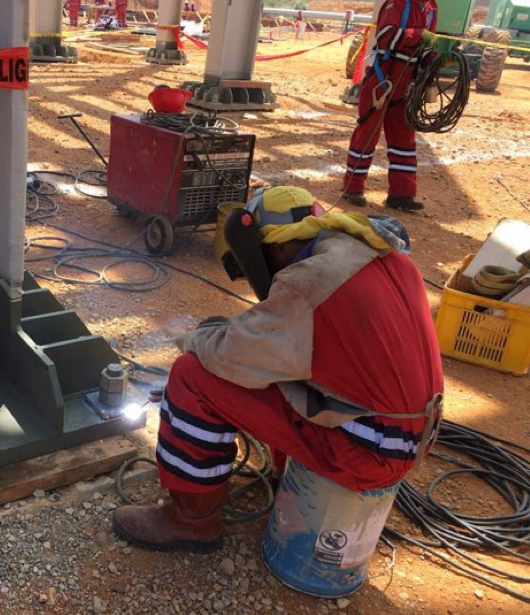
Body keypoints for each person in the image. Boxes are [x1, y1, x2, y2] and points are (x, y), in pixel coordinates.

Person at [113, 186, 444, 552]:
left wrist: (199, 337)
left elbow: (229, 356)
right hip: (410, 436)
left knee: (192, 376)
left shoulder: (314, 278)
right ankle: (283, 474)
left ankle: (191, 520)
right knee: (276, 366)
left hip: (366, 454)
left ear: (279, 245)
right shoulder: (376, 252)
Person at [343, 0, 439, 212]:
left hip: (406, 82)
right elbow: (385, 36)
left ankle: (401, 194)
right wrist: (418, 35)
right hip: (382, 78)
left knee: (404, 137)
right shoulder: (398, 2)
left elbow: (424, 49)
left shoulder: (431, 8)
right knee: (368, 132)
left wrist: (434, 57)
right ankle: (353, 188)